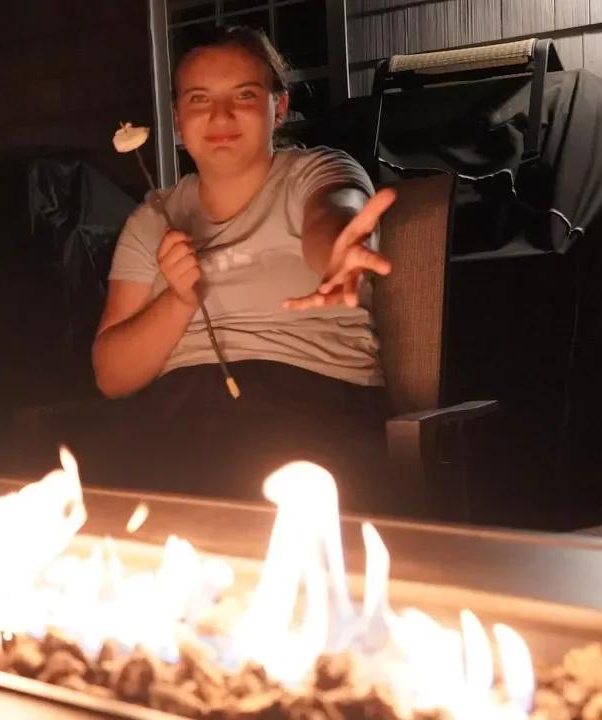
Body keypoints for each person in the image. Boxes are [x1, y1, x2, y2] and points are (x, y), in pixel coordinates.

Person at [86, 27, 396, 505]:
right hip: (177, 420)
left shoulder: (314, 172)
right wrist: (179, 298)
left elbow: (331, 215)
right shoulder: (152, 219)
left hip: (312, 403)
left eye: (245, 95)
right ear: (177, 117)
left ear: (279, 108)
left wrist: (340, 251)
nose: (221, 116)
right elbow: (112, 376)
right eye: (199, 99)